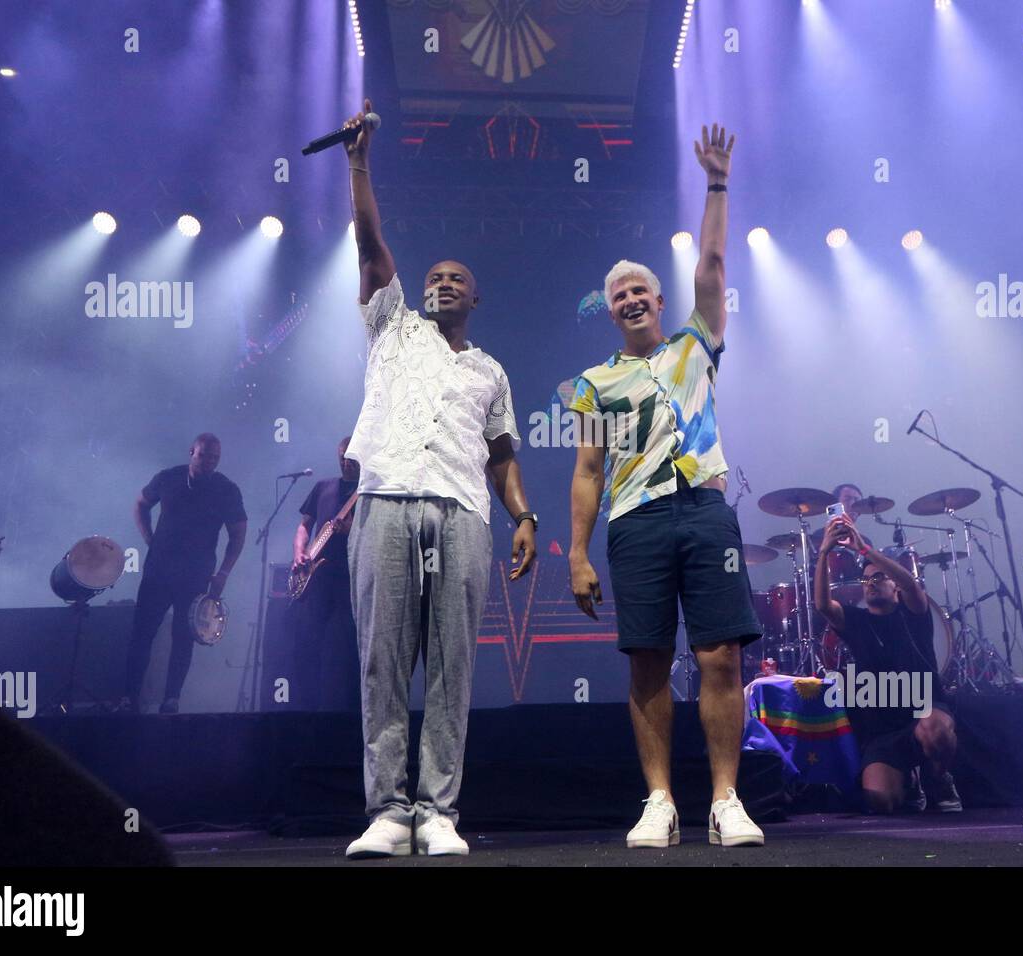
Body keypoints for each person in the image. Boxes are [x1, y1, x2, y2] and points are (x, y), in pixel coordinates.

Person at [340, 98, 538, 858]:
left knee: (452, 667)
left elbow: (501, 454)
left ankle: (439, 811)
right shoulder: (391, 326)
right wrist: (360, 162)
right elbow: (370, 246)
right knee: (383, 662)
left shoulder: (491, 369)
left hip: (463, 513)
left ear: (475, 297)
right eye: (435, 275)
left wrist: (524, 517)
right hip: (386, 498)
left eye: (457, 278)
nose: (444, 282)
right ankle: (388, 812)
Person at [568, 124, 765, 849]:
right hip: (636, 520)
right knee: (648, 661)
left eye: (639, 290)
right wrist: (577, 553)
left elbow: (711, 264)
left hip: (705, 512)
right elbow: (588, 471)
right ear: (611, 309)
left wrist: (716, 183)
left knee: (721, 656)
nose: (629, 299)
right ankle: (660, 801)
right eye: (618, 295)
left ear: (658, 299)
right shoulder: (595, 381)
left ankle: (725, 801)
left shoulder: (695, 344)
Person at [814, 514, 961, 813]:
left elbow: (911, 584)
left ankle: (939, 778)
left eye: (879, 577)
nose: (872, 583)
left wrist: (864, 550)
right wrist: (824, 553)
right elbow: (822, 605)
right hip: (883, 731)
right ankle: (910, 781)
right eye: (867, 579)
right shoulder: (855, 621)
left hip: (924, 712)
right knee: (880, 801)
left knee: (934, 730)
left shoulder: (913, 612)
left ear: (895, 587)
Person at [121, 433, 247, 714]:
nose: (209, 461)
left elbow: (238, 534)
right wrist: (149, 538)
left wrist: (223, 573)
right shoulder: (168, 478)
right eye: (204, 455)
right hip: (159, 570)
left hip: (196, 573)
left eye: (215, 457)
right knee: (142, 633)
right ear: (192, 452)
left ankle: (171, 699)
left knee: (184, 635)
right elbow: (140, 504)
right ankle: (129, 698)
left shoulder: (226, 490)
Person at [289, 437, 360, 711]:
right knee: (308, 640)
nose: (346, 462)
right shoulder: (323, 487)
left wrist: (351, 530)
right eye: (342, 457)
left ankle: (351, 710)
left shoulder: (368, 492)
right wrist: (300, 552)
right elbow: (304, 526)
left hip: (352, 576)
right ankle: (306, 707)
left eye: (351, 458)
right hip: (317, 575)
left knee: (351, 644)